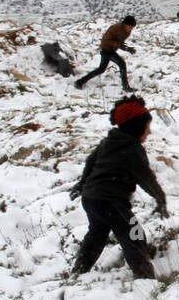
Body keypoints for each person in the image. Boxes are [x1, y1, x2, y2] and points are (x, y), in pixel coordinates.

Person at [70, 96, 168, 279]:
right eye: (147, 127)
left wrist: (83, 183)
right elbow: (146, 178)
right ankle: (146, 278)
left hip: (91, 198)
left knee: (96, 235)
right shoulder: (132, 149)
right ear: (136, 127)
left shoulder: (109, 141)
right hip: (111, 202)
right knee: (134, 235)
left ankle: (78, 271)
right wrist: (160, 198)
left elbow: (91, 162)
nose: (149, 132)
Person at [75, 16, 137, 91]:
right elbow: (105, 40)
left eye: (132, 27)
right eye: (130, 26)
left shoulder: (127, 32)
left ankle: (79, 82)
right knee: (122, 64)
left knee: (101, 69)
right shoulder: (115, 28)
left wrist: (127, 48)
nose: (131, 29)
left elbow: (119, 42)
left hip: (111, 50)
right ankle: (126, 87)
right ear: (125, 24)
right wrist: (123, 47)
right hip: (106, 49)